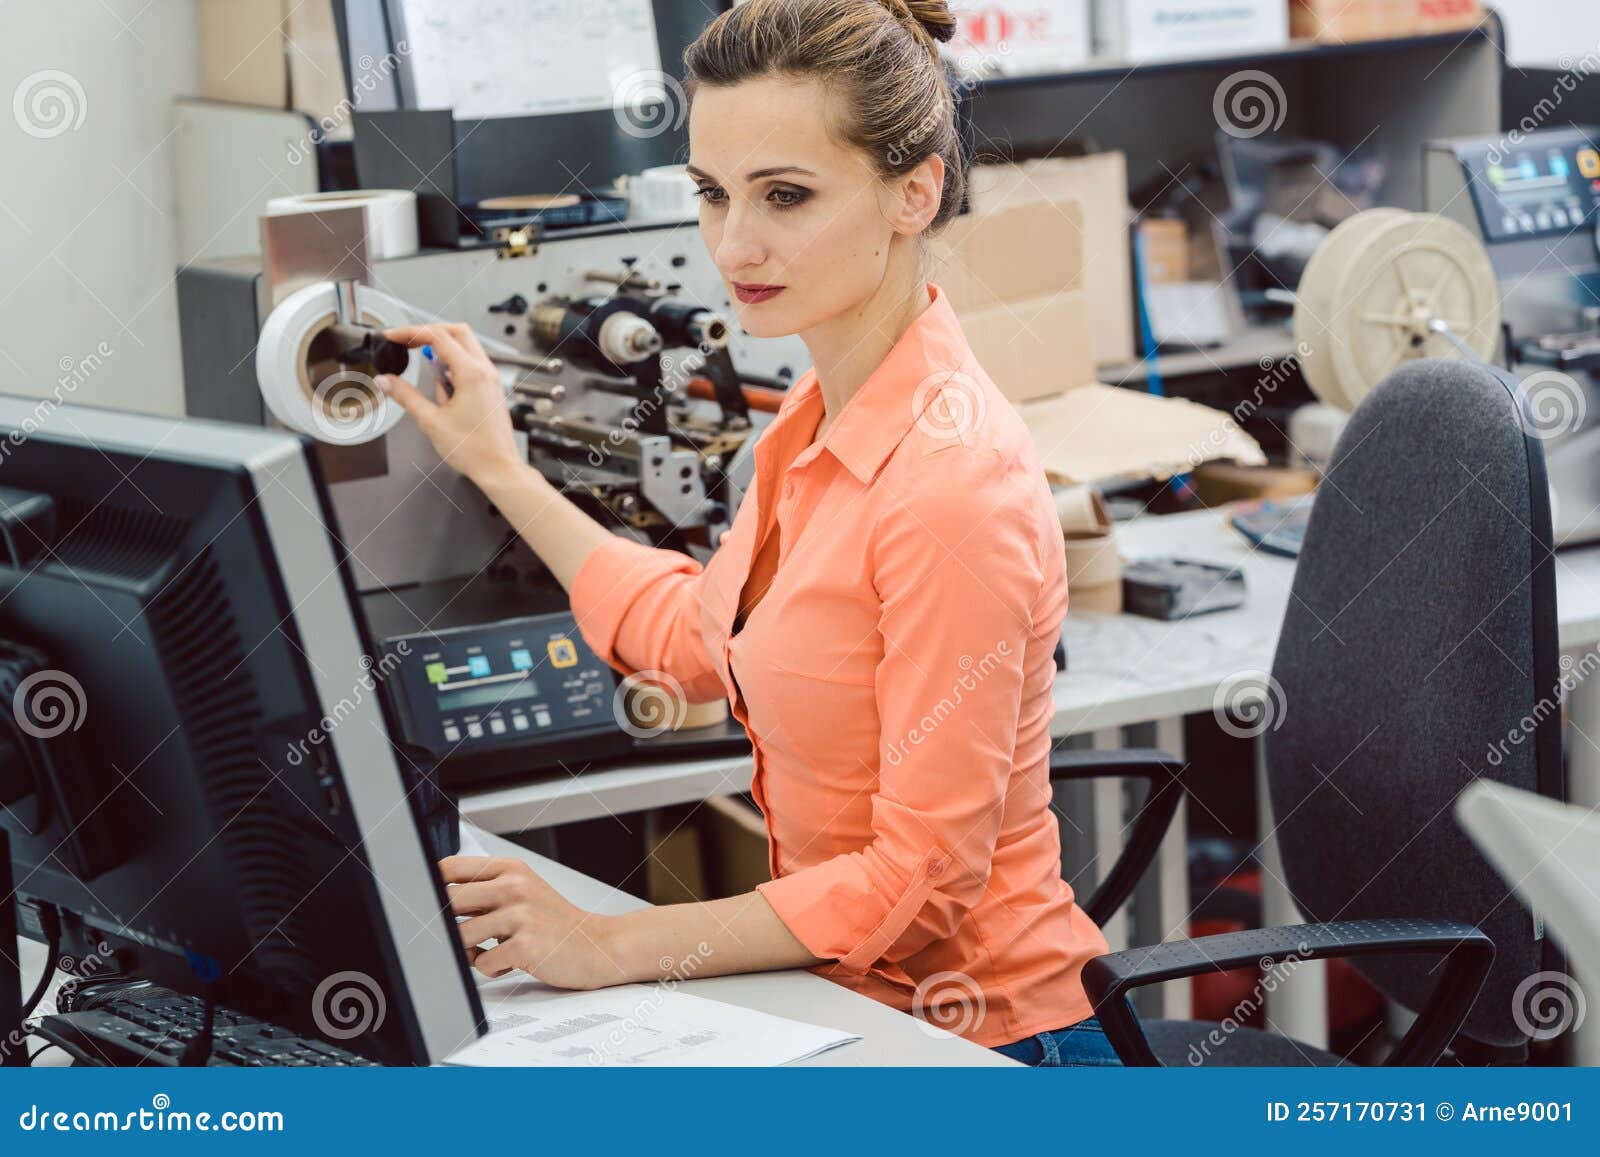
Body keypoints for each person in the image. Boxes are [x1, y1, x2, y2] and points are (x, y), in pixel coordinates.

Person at [376, 0, 1126, 1066]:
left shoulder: (954, 485)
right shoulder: (813, 425)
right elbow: (695, 638)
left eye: (785, 196)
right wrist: (498, 467)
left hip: (992, 1043)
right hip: (850, 1008)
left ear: (914, 191)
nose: (734, 243)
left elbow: (917, 880)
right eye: (712, 193)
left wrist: (604, 942)